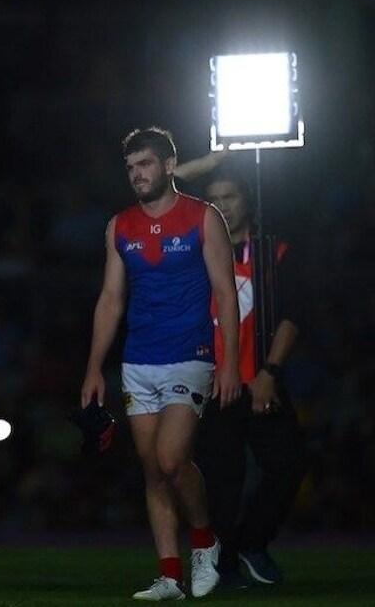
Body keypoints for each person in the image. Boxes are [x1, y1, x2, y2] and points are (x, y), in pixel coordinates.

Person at [80, 127, 241, 601]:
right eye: (131, 167)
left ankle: (204, 539)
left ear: (170, 166)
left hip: (189, 355)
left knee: (173, 459)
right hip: (138, 361)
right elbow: (110, 300)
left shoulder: (203, 217)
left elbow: (227, 292)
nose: (137, 174)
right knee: (153, 469)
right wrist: (93, 368)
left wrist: (228, 363)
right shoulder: (119, 225)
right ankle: (170, 577)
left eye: (146, 164)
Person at [186, 167, 307, 588]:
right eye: (213, 198)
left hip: (260, 382)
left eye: (231, 196)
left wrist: (269, 373)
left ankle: (251, 543)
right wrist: (211, 159)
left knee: (289, 464)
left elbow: (292, 315)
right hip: (211, 386)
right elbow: (158, 190)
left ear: (247, 200)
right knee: (221, 482)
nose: (223, 205)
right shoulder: (194, 253)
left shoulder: (273, 251)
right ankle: (223, 567)